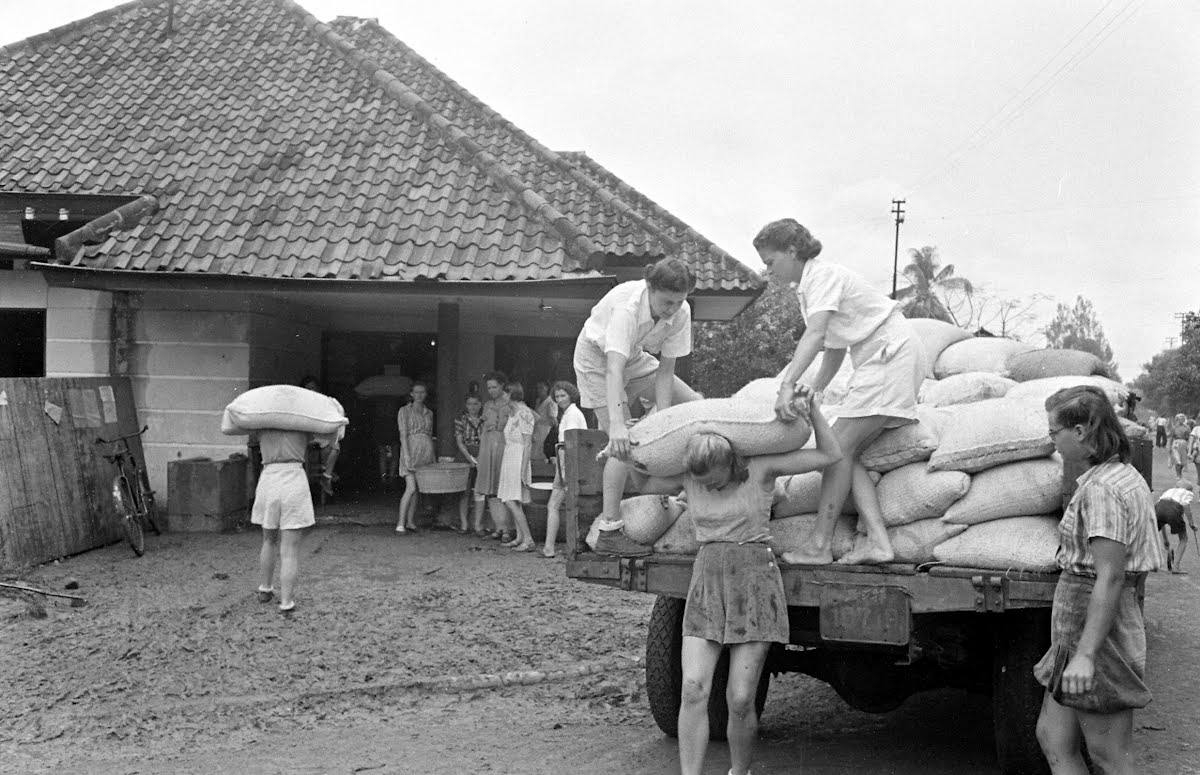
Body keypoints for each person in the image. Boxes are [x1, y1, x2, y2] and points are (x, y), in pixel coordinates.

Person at [637, 387, 840, 775]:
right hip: (707, 580)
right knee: (693, 687)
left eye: (717, 482)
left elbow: (830, 455)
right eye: (704, 485)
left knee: (741, 698)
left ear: (733, 463)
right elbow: (641, 480)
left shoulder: (761, 470)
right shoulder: (690, 476)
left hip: (755, 582)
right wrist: (627, 445)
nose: (710, 489)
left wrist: (813, 409)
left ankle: (739, 771)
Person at [753, 218, 924, 565]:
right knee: (843, 452)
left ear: (791, 250)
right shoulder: (811, 286)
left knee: (834, 449)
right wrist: (812, 391)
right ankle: (877, 541)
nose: (767, 270)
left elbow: (815, 336)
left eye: (770, 262)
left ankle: (820, 546)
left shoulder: (823, 277)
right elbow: (834, 348)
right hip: (884, 358)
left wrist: (786, 387)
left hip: (889, 357)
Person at [1034, 385, 1161, 775]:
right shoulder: (1115, 476)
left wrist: (1087, 655)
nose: (1051, 440)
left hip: (1097, 626)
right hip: (1081, 620)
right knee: (1053, 738)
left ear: (1081, 431)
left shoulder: (1104, 489)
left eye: (1054, 432)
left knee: (1110, 756)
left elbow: (1110, 575)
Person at [573, 257, 704, 557]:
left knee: (695, 406)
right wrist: (618, 426)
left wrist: (664, 417)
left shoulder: (681, 310)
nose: (672, 309)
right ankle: (609, 530)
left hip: (634, 358)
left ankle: (686, 488)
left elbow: (666, 371)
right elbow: (613, 371)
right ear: (649, 287)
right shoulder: (626, 308)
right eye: (666, 302)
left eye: (678, 301)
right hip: (597, 362)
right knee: (624, 445)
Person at [252, 428, 336, 616]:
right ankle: (286, 602)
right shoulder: (301, 424)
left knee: (268, 539)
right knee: (289, 549)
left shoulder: (262, 424)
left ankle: (265, 589)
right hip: (293, 477)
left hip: (269, 477)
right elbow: (330, 439)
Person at [542, 380, 587, 558]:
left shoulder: (573, 414)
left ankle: (552, 548)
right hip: (565, 461)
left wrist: (565, 470)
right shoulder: (569, 413)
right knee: (559, 505)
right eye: (557, 396)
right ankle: (552, 547)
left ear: (571, 395)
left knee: (556, 505)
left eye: (563, 395)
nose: (560, 399)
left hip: (568, 462)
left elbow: (573, 443)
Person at [496, 381, 538, 551]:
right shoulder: (513, 413)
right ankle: (520, 536)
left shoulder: (525, 413)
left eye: (504, 393)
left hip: (519, 457)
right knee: (513, 499)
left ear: (511, 394)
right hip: (510, 456)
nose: (502, 396)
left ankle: (528, 540)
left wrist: (523, 468)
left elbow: (528, 444)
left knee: (511, 500)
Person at [474, 372, 514, 542]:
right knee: (490, 491)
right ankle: (498, 528)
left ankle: (507, 530)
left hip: (504, 446)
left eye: (494, 387)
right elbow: (483, 430)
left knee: (503, 489)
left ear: (502, 386)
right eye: (489, 387)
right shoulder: (487, 405)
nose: (491, 390)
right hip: (488, 446)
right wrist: (480, 455)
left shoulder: (511, 404)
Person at [395, 382, 435, 533]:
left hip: (426, 450)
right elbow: (403, 434)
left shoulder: (429, 412)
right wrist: (406, 455)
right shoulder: (404, 411)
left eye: (422, 392)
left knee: (417, 489)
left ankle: (410, 521)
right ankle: (400, 522)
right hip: (411, 449)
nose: (419, 395)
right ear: (411, 394)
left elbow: (430, 434)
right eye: (416, 392)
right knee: (410, 487)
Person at [299, 376, 339, 497]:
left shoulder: (323, 401)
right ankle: (328, 472)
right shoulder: (301, 402)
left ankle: (326, 475)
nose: (311, 391)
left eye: (313, 388)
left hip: (319, 433)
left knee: (335, 446)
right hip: (306, 434)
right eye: (308, 389)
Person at [454, 392, 485, 535]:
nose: (472, 407)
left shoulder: (484, 420)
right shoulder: (461, 420)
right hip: (465, 455)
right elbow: (460, 442)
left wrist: (481, 458)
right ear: (466, 405)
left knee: (480, 491)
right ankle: (464, 524)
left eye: (476, 404)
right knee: (464, 492)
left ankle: (478, 525)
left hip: (482, 454)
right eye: (469, 404)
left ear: (480, 405)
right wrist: (470, 458)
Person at [1155, 482, 1195, 574]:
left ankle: (1151, 563)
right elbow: (1185, 505)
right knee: (1183, 538)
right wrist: (1191, 523)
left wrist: (1165, 539)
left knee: (1152, 535)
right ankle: (1176, 567)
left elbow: (1163, 521)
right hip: (1173, 510)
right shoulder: (1188, 492)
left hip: (1158, 507)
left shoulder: (1169, 491)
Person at [533, 381, 557, 462]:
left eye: (541, 388)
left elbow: (553, 420)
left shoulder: (551, 401)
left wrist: (539, 419)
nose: (539, 390)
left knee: (542, 448)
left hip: (545, 429)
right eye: (538, 388)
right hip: (537, 429)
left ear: (547, 389)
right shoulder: (538, 401)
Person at [1168, 413, 1190, 479]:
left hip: (1184, 443)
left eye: (1182, 419)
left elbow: (1189, 437)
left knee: (1183, 461)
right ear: (1177, 420)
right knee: (1177, 460)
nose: (1181, 420)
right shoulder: (1174, 428)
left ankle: (1180, 471)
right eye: (1179, 419)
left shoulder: (1187, 427)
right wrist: (1169, 446)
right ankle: (1178, 474)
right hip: (1176, 443)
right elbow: (1171, 438)